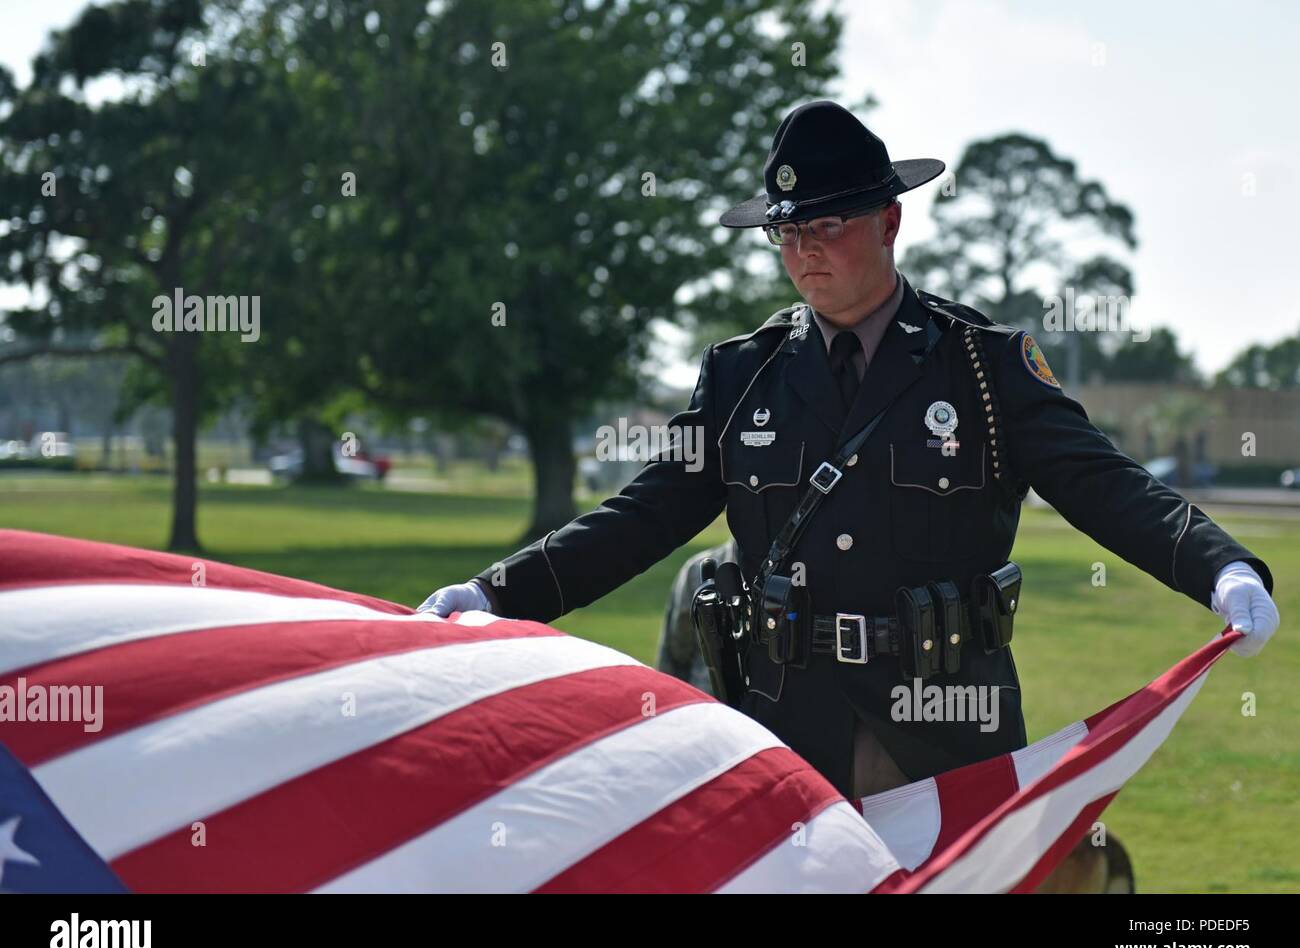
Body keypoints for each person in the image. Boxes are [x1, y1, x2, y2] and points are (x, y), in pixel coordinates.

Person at [419, 100, 1279, 800]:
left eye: (824, 226)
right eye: (785, 234)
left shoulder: (979, 365)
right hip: (787, 726)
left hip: (946, 721)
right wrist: (497, 592)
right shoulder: (740, 376)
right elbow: (643, 515)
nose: (802, 252)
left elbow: (1102, 483)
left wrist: (1220, 567)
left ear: (889, 220)